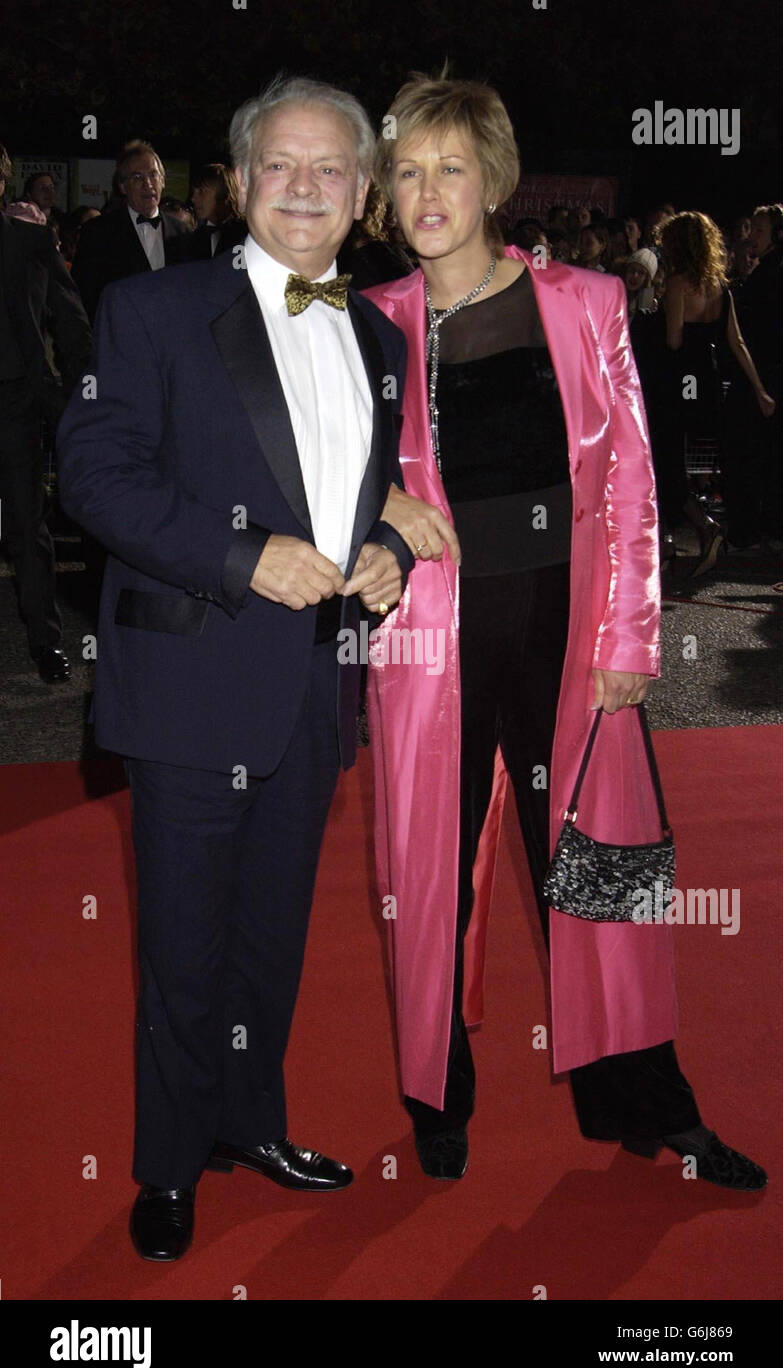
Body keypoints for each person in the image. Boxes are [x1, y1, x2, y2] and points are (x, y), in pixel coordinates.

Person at [364, 74, 766, 1190]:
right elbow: (319, 475)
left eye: (451, 167)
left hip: (568, 633)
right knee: (426, 874)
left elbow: (633, 478)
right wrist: (375, 512)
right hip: (426, 651)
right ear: (385, 191)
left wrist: (632, 638)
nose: (429, 190)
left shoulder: (584, 302)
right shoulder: (370, 322)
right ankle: (436, 1094)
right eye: (407, 169)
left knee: (603, 875)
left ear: (493, 178)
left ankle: (653, 1103)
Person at [57, 74, 413, 1262]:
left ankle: (251, 1125)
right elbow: (95, 478)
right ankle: (166, 1166)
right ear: (242, 177)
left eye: (331, 170)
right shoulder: (150, 310)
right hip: (190, 685)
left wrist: (387, 555)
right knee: (182, 946)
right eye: (281, 165)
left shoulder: (377, 333)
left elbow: (371, 496)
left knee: (273, 936)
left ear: (362, 194)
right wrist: (239, 555)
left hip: (313, 694)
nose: (305, 187)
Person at [0, 200, 91, 681]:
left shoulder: (30, 241)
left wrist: (83, 396)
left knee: (25, 525)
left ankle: (45, 640)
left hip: (16, 401)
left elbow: (70, 319)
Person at [658, 211, 774, 573]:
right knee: (681, 460)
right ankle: (671, 538)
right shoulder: (720, 287)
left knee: (664, 457)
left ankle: (692, 530)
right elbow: (736, 341)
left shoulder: (678, 283)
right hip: (705, 382)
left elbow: (674, 341)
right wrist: (760, 390)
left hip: (677, 381)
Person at [71, 140, 191, 320]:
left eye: (153, 175)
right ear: (122, 186)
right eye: (137, 177)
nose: (148, 184)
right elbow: (84, 297)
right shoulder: (98, 233)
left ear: (163, 181)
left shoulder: (184, 233)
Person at [723, 204, 783, 546]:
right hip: (763, 375)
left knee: (748, 454)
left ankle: (749, 530)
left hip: (763, 376)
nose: (751, 238)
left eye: (759, 230)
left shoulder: (772, 274)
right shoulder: (765, 271)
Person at [188, 162, 246, 259]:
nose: (193, 198)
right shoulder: (195, 239)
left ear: (223, 193)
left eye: (201, 192)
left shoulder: (248, 234)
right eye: (194, 192)